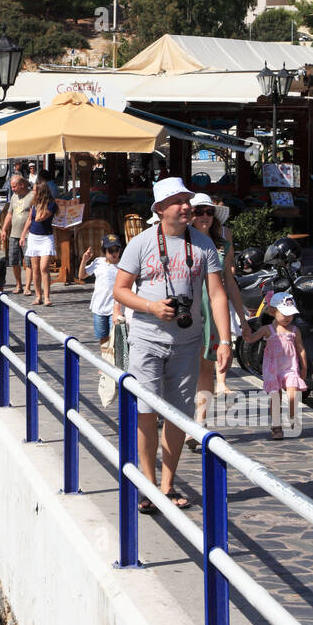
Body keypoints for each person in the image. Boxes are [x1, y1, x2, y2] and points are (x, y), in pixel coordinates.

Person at [114, 178, 232, 513]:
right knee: (147, 411)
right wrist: (151, 307)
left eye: (187, 200)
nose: (185, 207)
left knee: (179, 416)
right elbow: (120, 290)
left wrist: (225, 340)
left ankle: (167, 484)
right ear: (160, 209)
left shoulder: (203, 245)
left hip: (187, 342)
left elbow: (217, 293)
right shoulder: (140, 243)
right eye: (178, 201)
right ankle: (148, 485)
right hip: (147, 341)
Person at [189, 194, 249, 447]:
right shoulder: (180, 241)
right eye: (198, 211)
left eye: (208, 212)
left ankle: (199, 423)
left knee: (205, 368)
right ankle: (179, 417)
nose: (204, 216)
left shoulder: (222, 243)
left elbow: (229, 281)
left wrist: (242, 318)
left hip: (211, 309)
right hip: (188, 308)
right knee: (183, 368)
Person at [241, 293, 307, 439]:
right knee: (275, 398)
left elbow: (300, 348)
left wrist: (304, 367)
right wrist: (245, 333)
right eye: (285, 314)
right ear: (273, 311)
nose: (288, 318)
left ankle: (292, 415)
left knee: (292, 395)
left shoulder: (295, 331)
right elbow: (251, 339)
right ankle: (276, 426)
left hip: (290, 368)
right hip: (273, 369)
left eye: (291, 314)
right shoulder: (267, 329)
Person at [78, 234, 124, 406]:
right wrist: (84, 259)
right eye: (110, 250)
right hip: (99, 306)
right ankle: (106, 362)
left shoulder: (124, 265)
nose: (114, 253)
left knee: (115, 339)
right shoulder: (98, 262)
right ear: (104, 251)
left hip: (115, 308)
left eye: (116, 249)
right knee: (103, 337)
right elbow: (82, 275)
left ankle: (110, 363)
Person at [20, 178, 58, 307]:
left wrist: (40, 205)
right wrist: (23, 235)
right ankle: (38, 296)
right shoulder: (33, 204)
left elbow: (39, 217)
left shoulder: (52, 204)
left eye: (35, 190)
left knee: (44, 268)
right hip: (34, 237)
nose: (32, 192)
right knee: (35, 268)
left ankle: (47, 297)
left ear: (41, 191)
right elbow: (30, 220)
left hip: (46, 238)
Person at [0, 172, 34, 295]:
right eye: (12, 186)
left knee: (28, 261)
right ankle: (18, 284)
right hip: (14, 233)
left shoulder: (32, 196)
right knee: (14, 261)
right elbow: (9, 214)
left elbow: (32, 215)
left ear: (22, 185)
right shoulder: (14, 197)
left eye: (14, 186)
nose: (12, 189)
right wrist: (4, 229)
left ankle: (28, 286)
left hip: (28, 234)